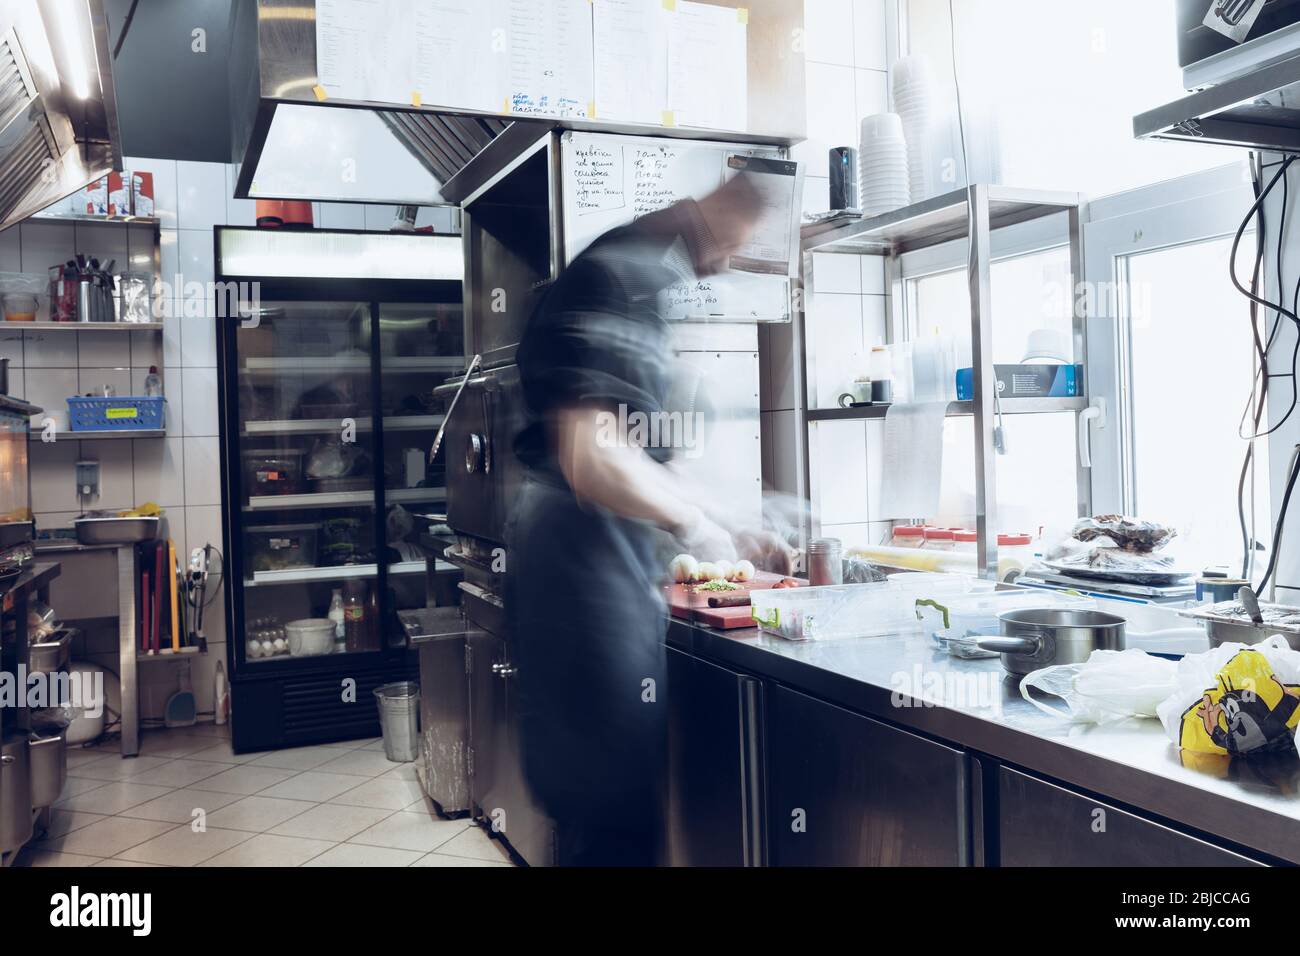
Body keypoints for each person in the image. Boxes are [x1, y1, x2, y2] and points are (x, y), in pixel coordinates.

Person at [505, 175, 777, 866]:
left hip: (586, 567)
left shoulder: (632, 273)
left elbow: (629, 450)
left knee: (609, 820)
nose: (727, 264)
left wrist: (730, 517)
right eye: (740, 243)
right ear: (724, 203)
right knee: (612, 821)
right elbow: (592, 458)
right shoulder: (621, 277)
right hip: (583, 577)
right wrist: (693, 522)